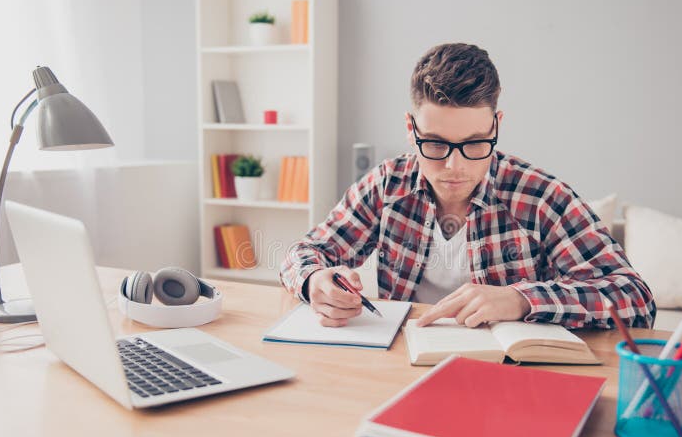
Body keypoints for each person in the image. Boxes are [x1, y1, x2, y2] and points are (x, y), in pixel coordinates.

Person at [280, 43, 655, 330]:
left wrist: (521, 300)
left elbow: (636, 300)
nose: (454, 166)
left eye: (475, 143)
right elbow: (304, 253)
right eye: (436, 144)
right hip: (405, 366)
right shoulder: (386, 186)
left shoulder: (541, 197)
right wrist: (315, 280)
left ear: (497, 126)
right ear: (411, 130)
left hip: (511, 380)